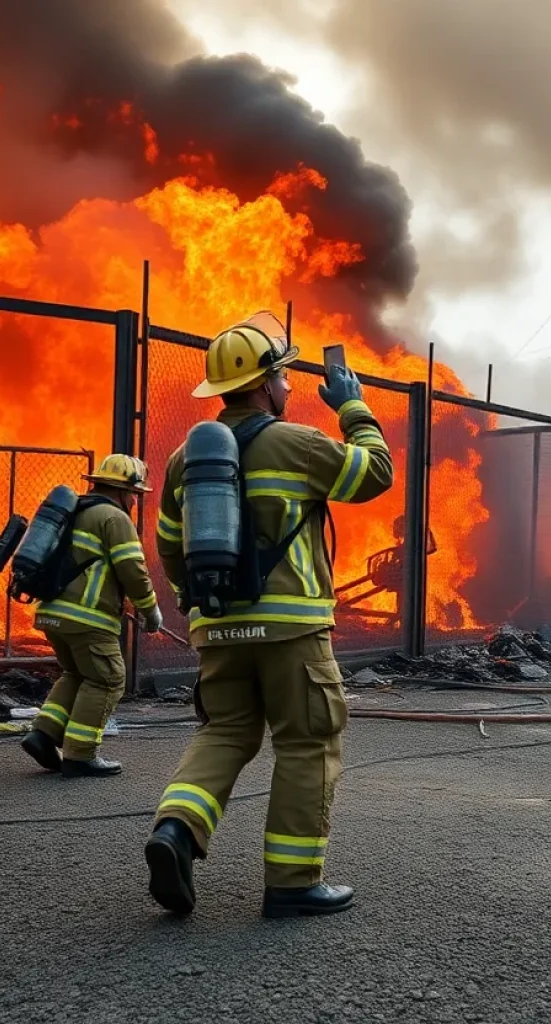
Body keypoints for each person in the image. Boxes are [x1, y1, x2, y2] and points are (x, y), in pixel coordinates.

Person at [144, 312, 393, 919]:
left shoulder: (183, 462)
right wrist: (353, 407)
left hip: (219, 630)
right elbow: (374, 474)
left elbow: (169, 546)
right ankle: (291, 882)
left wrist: (200, 607)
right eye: (282, 374)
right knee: (308, 742)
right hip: (293, 632)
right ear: (264, 383)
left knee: (225, 733)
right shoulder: (296, 442)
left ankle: (176, 829)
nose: (288, 385)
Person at [22, 454, 162, 778]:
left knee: (77, 674)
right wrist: (150, 610)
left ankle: (43, 734)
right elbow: (132, 570)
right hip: (87, 619)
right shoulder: (114, 518)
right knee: (108, 678)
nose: (135, 502)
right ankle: (80, 755)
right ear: (124, 490)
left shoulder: (75, 511)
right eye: (135, 495)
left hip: (53, 613)